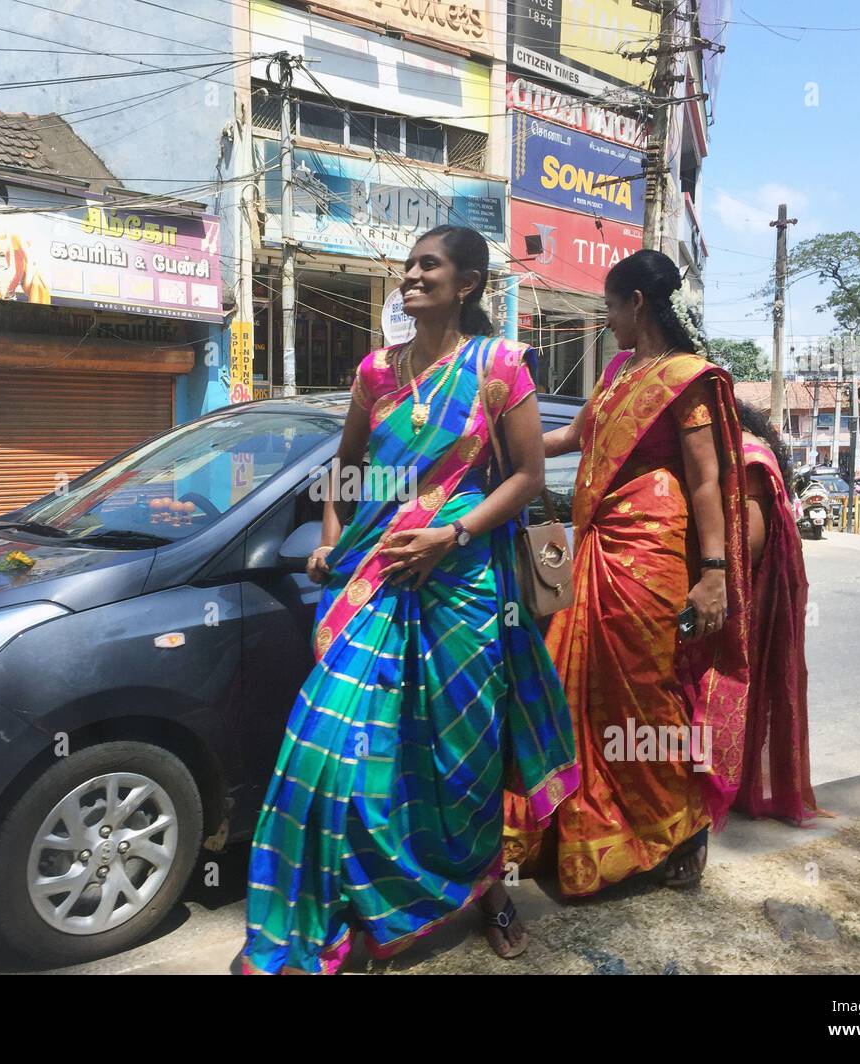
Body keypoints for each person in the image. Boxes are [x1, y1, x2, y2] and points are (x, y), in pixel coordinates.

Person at [241, 226, 579, 975]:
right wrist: (331, 536)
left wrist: (450, 537)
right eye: (409, 266)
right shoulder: (375, 372)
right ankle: (355, 902)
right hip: (374, 581)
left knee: (462, 756)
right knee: (326, 752)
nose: (411, 276)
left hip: (464, 585)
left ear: (466, 284)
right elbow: (349, 470)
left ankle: (487, 889)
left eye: (429, 266)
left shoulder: (499, 368)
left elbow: (525, 475)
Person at [503, 249, 751, 895]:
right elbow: (575, 437)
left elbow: (705, 481)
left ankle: (680, 828)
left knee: (646, 690)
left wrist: (715, 571)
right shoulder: (616, 371)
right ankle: (584, 833)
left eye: (610, 307)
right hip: (592, 546)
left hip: (650, 550)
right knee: (576, 689)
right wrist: (503, 438)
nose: (607, 320)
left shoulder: (689, 377)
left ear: (637, 304)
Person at [732, 401, 817, 824]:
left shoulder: (748, 456)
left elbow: (750, 543)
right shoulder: (737, 449)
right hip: (738, 589)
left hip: (750, 592)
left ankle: (737, 786)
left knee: (744, 689)